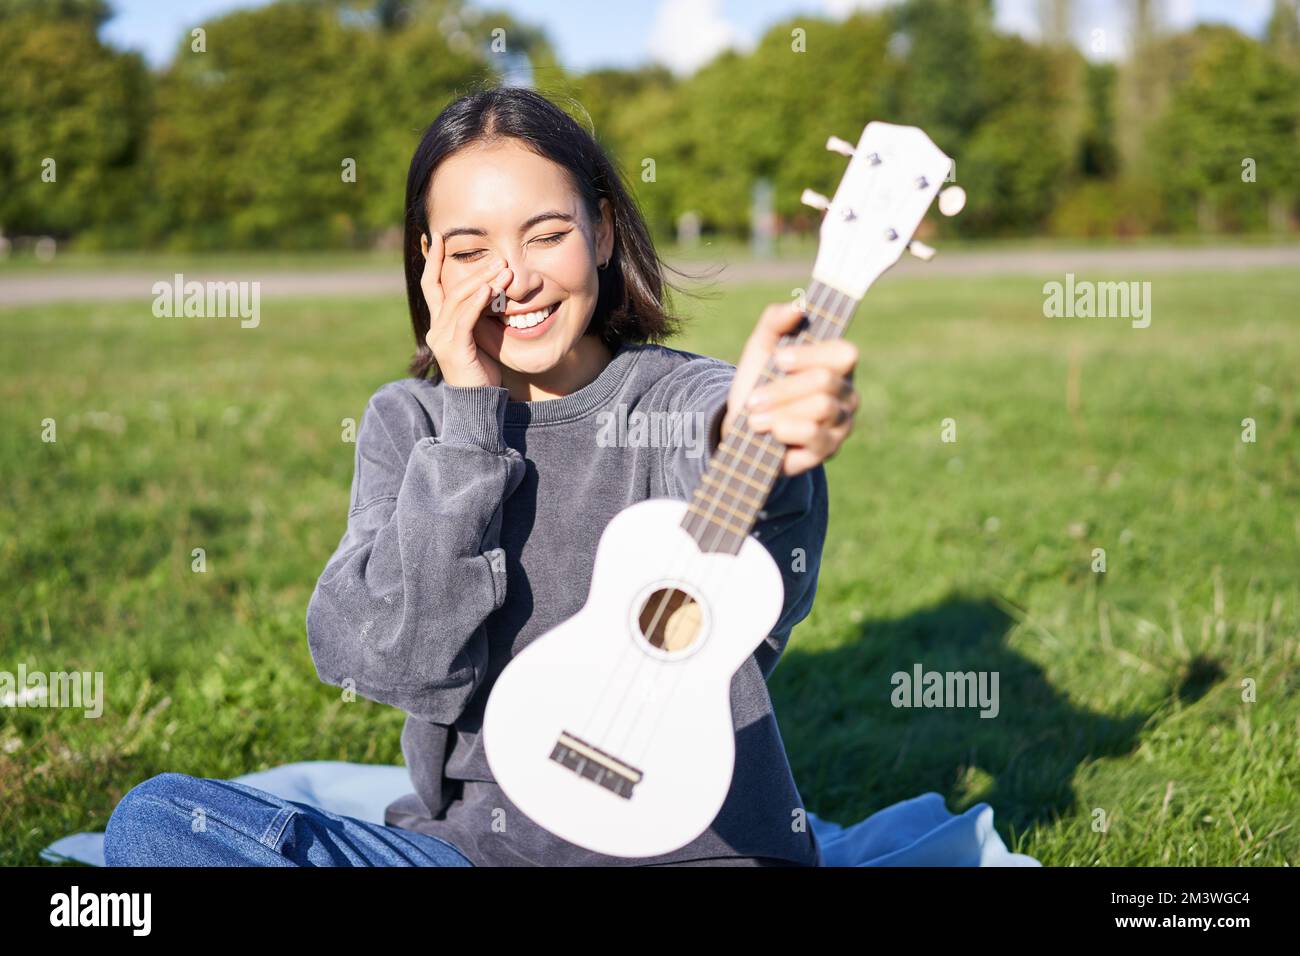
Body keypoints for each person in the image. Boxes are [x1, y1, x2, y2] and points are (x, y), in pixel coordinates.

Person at [103, 86, 859, 867]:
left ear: (601, 233)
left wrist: (759, 427)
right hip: (472, 854)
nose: (515, 280)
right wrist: (468, 419)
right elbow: (395, 662)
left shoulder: (680, 400)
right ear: (428, 261)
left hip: (695, 853)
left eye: (548, 235)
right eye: (470, 251)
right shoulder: (410, 422)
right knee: (155, 821)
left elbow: (731, 470)